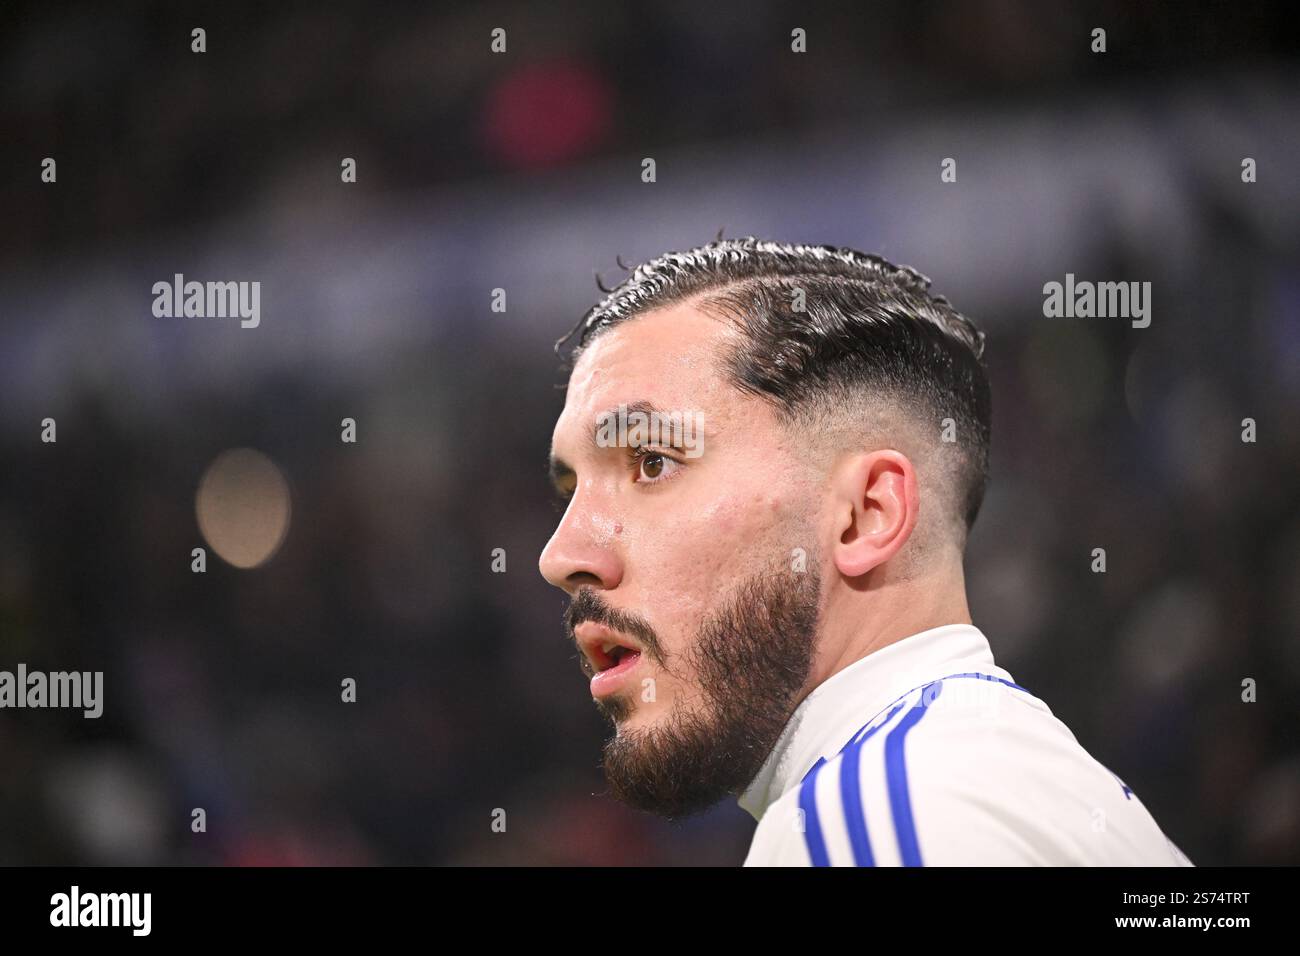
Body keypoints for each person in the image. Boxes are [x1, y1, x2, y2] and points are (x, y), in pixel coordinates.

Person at [539, 237, 1192, 866]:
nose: (560, 555)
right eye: (570, 488)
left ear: (865, 515)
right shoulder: (1049, 790)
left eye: (652, 462)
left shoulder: (860, 826)